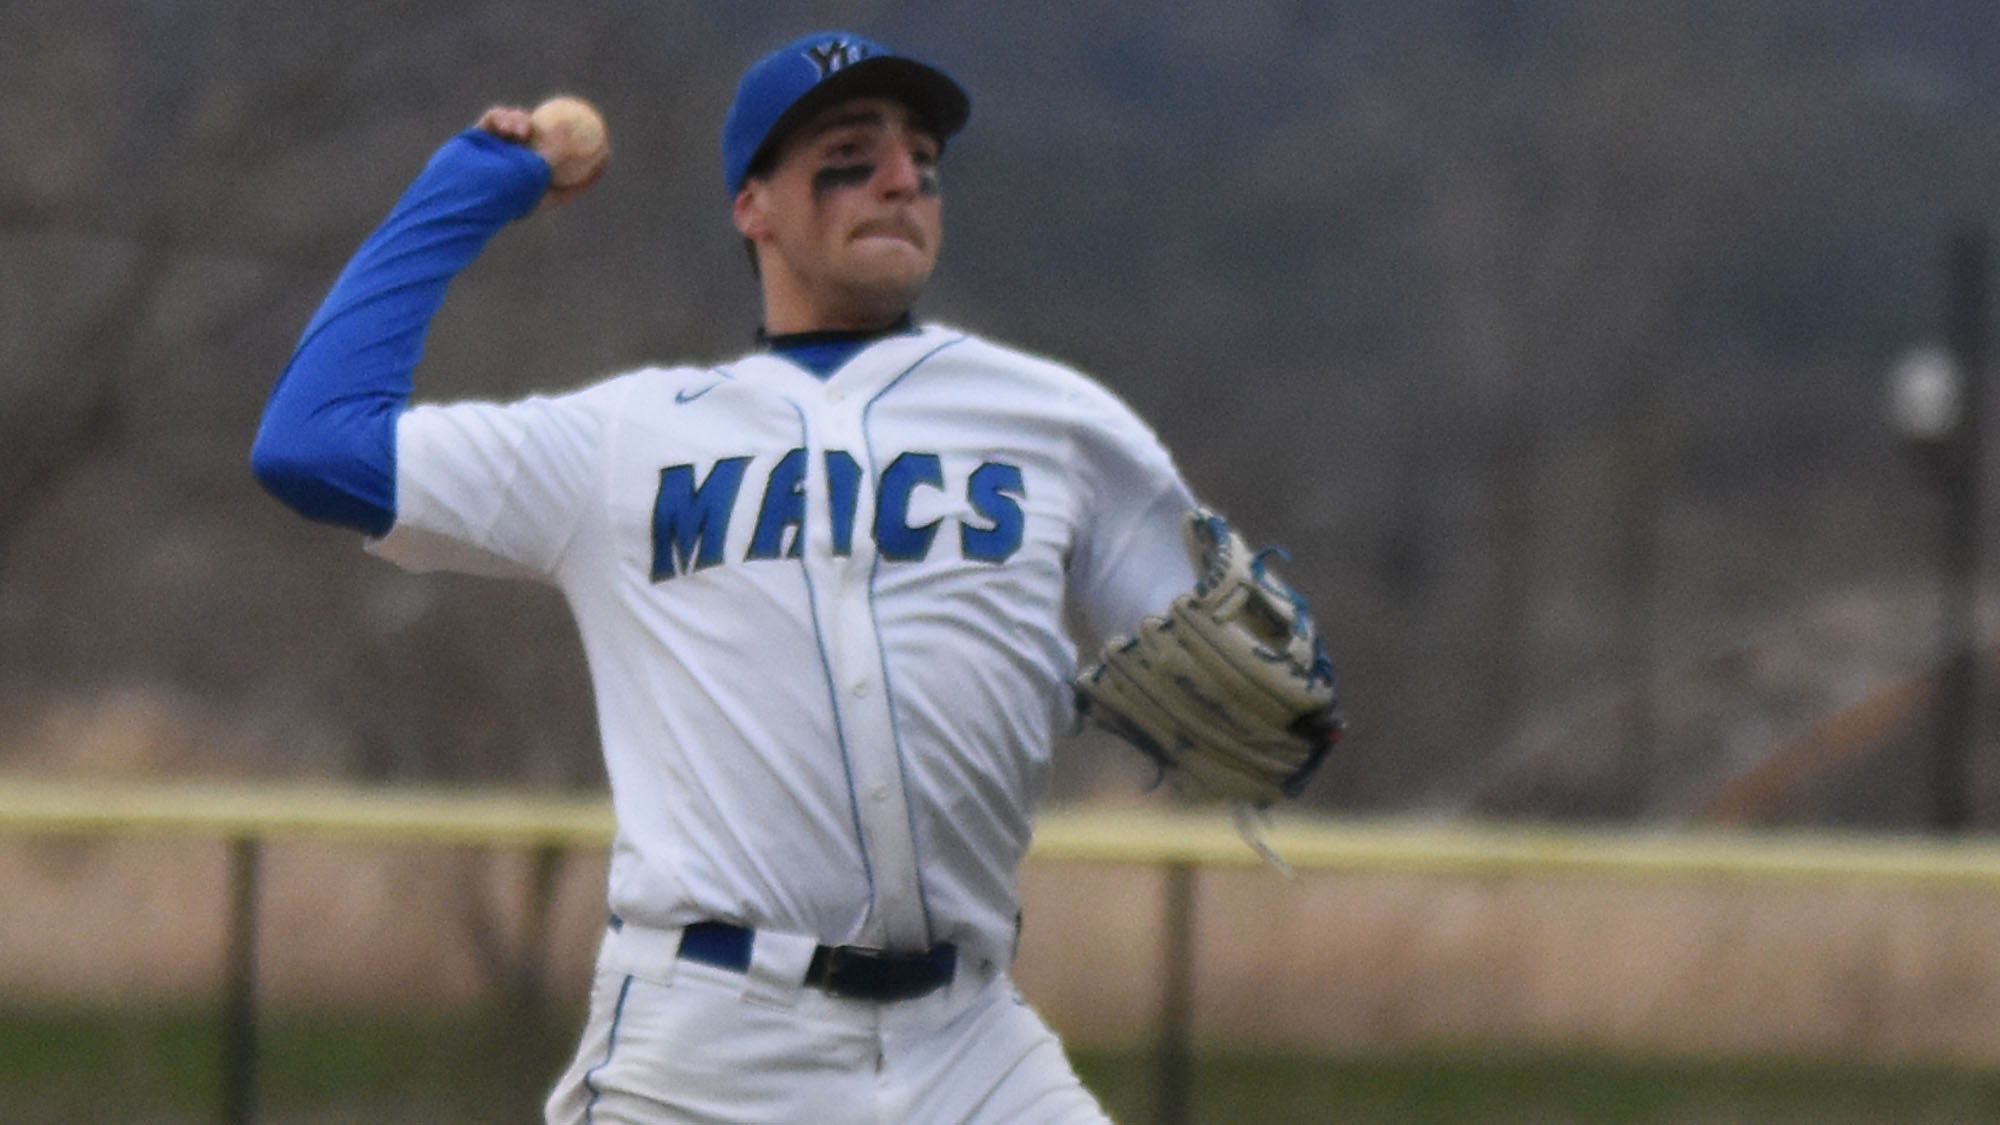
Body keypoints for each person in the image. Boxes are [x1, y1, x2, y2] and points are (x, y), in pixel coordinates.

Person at [252, 29, 1317, 1123]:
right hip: (707, 1050)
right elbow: (312, 443)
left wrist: (1278, 701)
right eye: (850, 154)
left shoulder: (1054, 423)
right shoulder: (628, 441)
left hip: (968, 1045)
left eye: (922, 159)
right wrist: (471, 186)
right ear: (752, 205)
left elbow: (1251, 676)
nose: (902, 177)